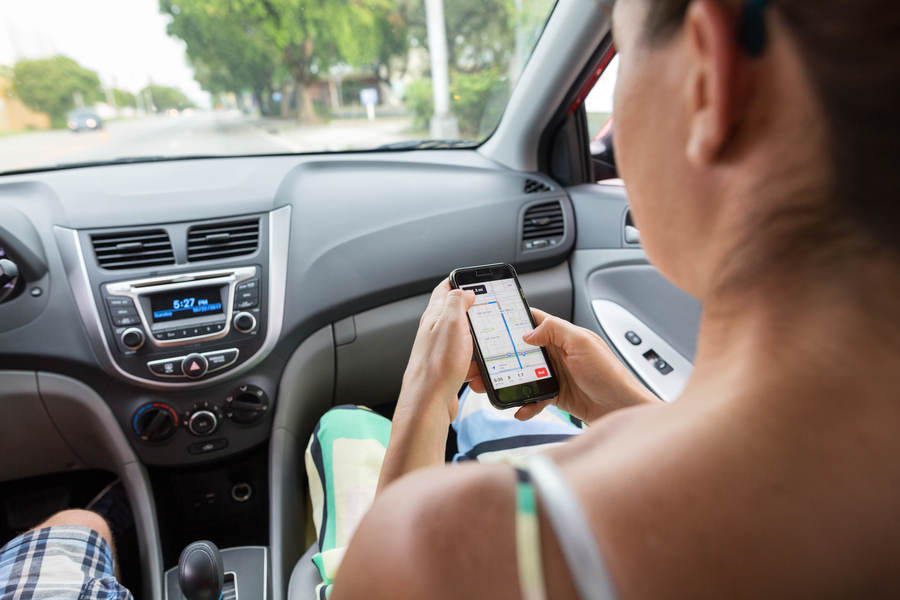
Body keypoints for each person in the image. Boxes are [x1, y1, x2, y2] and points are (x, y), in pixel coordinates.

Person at [313, 0, 900, 598]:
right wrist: (627, 408)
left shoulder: (457, 546)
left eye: (621, 51)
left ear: (708, 74)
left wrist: (423, 392)